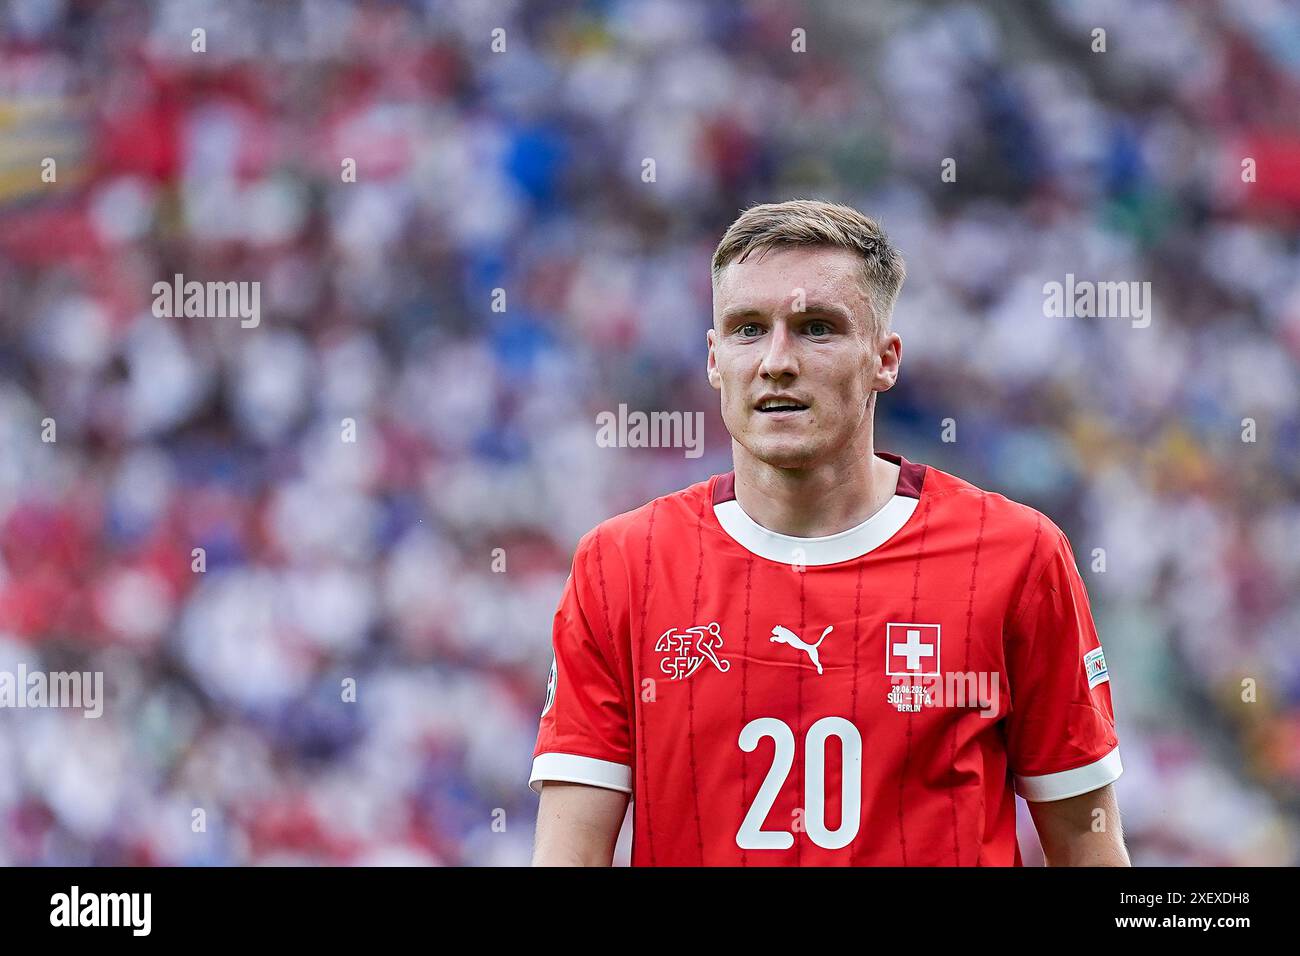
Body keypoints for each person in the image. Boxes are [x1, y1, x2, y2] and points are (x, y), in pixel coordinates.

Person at [530, 199, 1129, 866]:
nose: (777, 361)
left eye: (816, 329)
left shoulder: (1015, 556)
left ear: (885, 359)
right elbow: (569, 855)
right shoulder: (623, 566)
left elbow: (1086, 843)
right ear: (713, 358)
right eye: (748, 329)